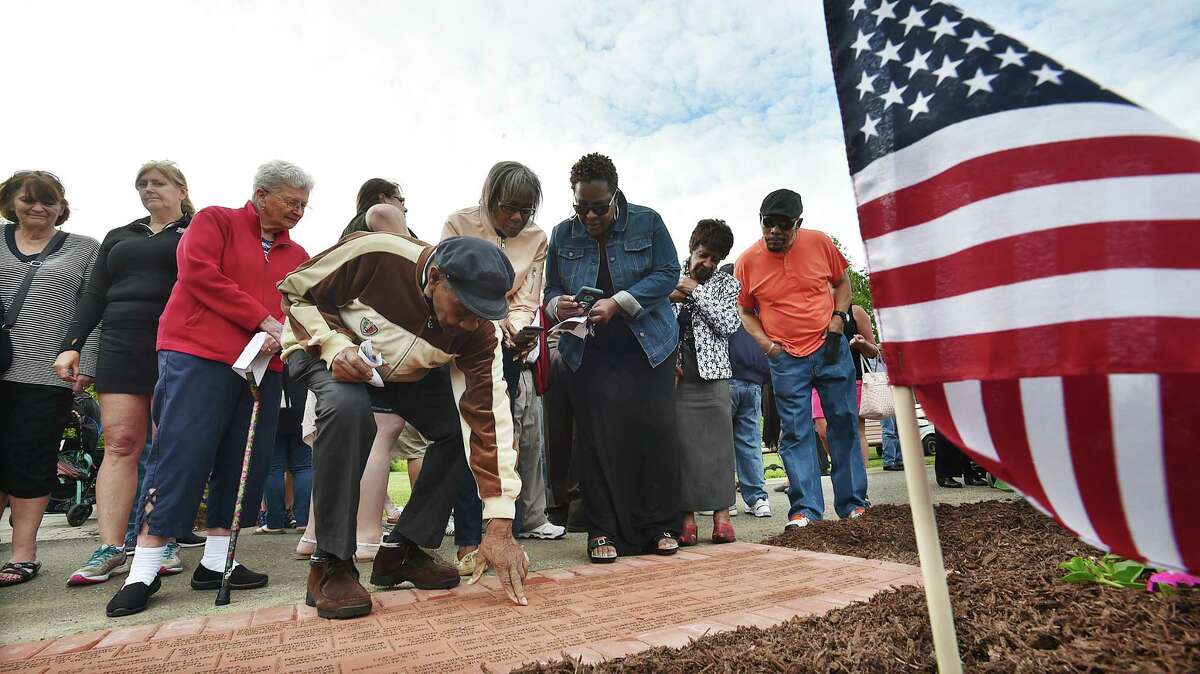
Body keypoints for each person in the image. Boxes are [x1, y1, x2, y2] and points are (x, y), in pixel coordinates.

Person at [279, 234, 528, 619]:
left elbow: (489, 421)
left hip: (405, 375)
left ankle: (403, 550)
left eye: (483, 313)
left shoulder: (479, 333)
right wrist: (334, 345)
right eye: (464, 307)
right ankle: (331, 565)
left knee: (457, 429)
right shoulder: (378, 255)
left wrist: (499, 521)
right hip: (329, 350)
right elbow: (296, 291)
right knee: (348, 408)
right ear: (435, 279)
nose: (469, 323)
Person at [105, 160, 312, 617]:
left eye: (304, 204)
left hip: (263, 364)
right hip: (197, 352)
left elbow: (300, 306)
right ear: (261, 195)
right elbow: (199, 273)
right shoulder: (214, 219)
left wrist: (291, 334)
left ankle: (217, 564)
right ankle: (143, 570)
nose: (299, 211)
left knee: (246, 460)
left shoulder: (298, 255)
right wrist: (261, 318)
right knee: (181, 454)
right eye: (290, 201)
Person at [55, 161, 195, 586]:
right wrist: (72, 344)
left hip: (175, 343)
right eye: (142, 184)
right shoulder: (120, 236)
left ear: (181, 189)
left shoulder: (197, 232)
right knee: (119, 442)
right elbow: (95, 293)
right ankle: (111, 547)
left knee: (166, 443)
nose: (148, 189)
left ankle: (161, 538)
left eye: (158, 183)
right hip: (120, 343)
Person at [544, 152, 682, 562]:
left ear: (616, 197)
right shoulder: (562, 234)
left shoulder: (648, 221)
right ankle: (602, 531)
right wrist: (559, 307)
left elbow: (668, 272)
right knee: (597, 440)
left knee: (653, 435)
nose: (589, 215)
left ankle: (660, 527)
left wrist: (619, 303)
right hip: (590, 350)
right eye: (581, 206)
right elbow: (550, 289)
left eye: (598, 207)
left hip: (648, 347)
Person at [441, 160, 564, 566]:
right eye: (507, 208)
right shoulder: (458, 223)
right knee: (466, 439)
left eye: (525, 211)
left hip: (507, 348)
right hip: (464, 340)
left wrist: (515, 325)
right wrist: (492, 323)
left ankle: (501, 531)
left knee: (500, 441)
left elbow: (529, 295)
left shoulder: (537, 239)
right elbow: (447, 285)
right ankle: (467, 538)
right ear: (488, 198)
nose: (515, 218)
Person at [294, 177, 415, 563]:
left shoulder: (346, 237)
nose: (405, 208)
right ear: (383, 202)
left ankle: (314, 535)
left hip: (328, 346)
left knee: (334, 439)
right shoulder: (388, 238)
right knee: (381, 433)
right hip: (369, 350)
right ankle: (366, 535)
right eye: (400, 200)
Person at [734, 188, 868, 530]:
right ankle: (806, 509)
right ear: (760, 222)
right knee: (795, 432)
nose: (774, 231)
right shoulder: (747, 262)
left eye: (783, 225)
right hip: (786, 358)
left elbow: (842, 283)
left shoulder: (820, 243)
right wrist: (767, 345)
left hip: (830, 349)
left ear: (799, 223)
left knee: (842, 423)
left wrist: (838, 318)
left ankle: (853, 504)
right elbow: (745, 311)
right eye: (768, 224)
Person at [0, 171, 100, 587]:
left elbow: (93, 311)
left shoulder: (84, 250)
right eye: (28, 199)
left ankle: (24, 554)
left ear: (61, 205)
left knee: (31, 461)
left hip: (47, 373)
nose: (38, 208)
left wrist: (87, 362)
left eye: (49, 201)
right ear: (10, 202)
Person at [671, 220, 741, 545]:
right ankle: (685, 519)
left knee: (719, 446)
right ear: (691, 247)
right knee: (682, 448)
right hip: (677, 375)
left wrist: (695, 291)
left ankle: (721, 517)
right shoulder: (667, 274)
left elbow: (728, 324)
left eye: (716, 258)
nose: (708, 264)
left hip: (713, 372)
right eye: (703, 255)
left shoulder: (727, 285)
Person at [720, 263, 773, 518]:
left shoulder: (720, 307)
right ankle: (758, 499)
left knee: (721, 442)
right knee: (749, 441)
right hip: (754, 382)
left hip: (727, 378)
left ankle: (725, 498)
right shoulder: (755, 310)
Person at [256, 369, 312, 534]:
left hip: (272, 403)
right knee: (304, 466)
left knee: (273, 467)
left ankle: (274, 522)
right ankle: (304, 520)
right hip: (301, 404)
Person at [341, 178, 413, 239]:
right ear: (383, 198)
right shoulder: (380, 212)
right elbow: (379, 211)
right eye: (401, 201)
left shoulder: (351, 230)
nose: (405, 209)